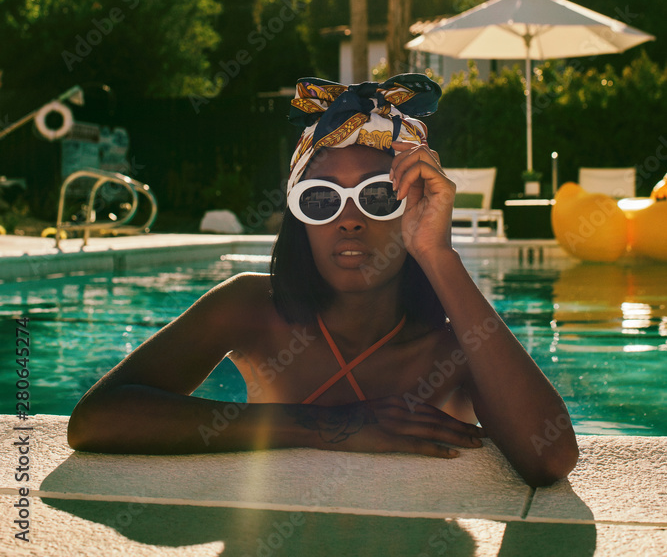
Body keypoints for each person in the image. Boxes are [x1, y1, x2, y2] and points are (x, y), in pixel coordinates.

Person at [68, 74, 578, 487]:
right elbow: (95, 421)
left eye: (379, 196)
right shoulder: (250, 307)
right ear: (300, 219)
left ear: (415, 206)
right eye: (321, 198)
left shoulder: (457, 345)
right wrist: (332, 424)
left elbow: (550, 458)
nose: (349, 219)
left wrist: (437, 254)